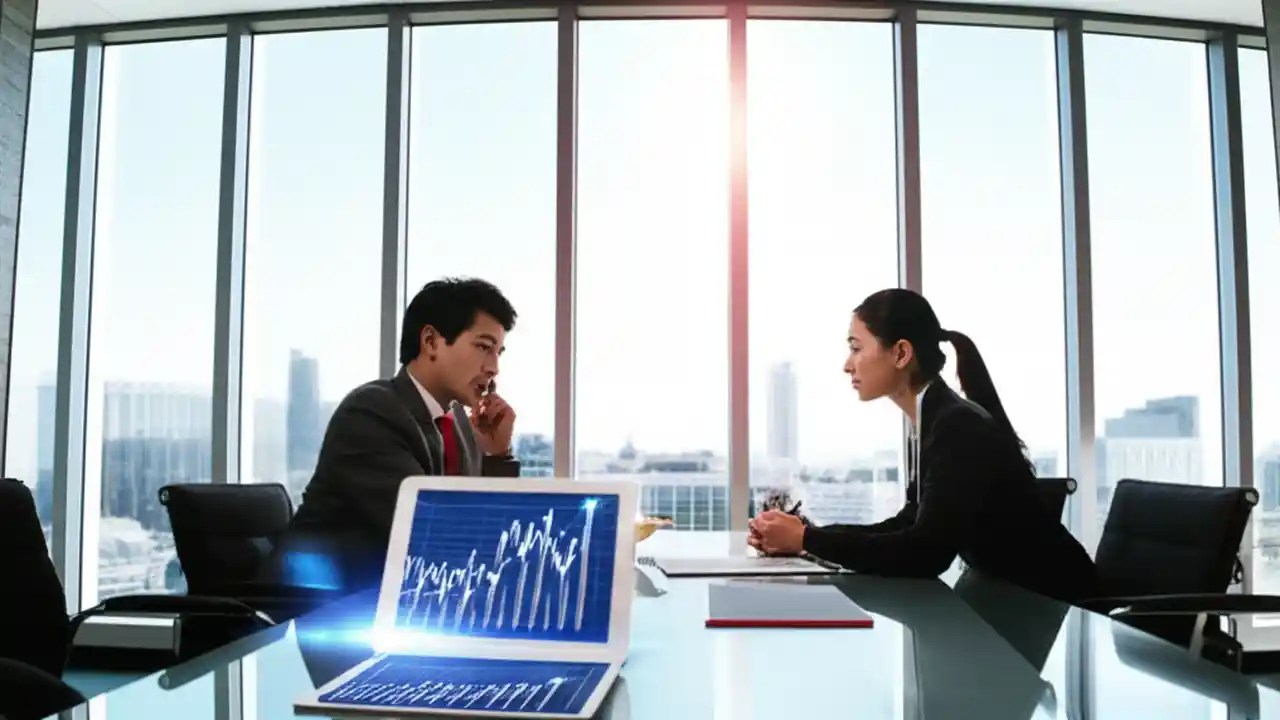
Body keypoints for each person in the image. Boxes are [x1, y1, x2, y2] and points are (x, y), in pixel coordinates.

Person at [749, 288, 1097, 603]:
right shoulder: (936, 419)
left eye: (856, 347)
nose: (847, 364)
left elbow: (926, 553)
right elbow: (909, 524)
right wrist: (806, 536)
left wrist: (807, 540)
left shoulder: (956, 425)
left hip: (1060, 608)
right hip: (1015, 604)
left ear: (901, 353)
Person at [270, 277, 522, 592]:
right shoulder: (371, 413)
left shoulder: (459, 423)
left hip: (408, 603)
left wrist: (496, 455)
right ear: (431, 341)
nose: (494, 367)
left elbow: (485, 532)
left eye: (499, 352)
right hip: (322, 611)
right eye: (484, 347)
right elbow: (432, 536)